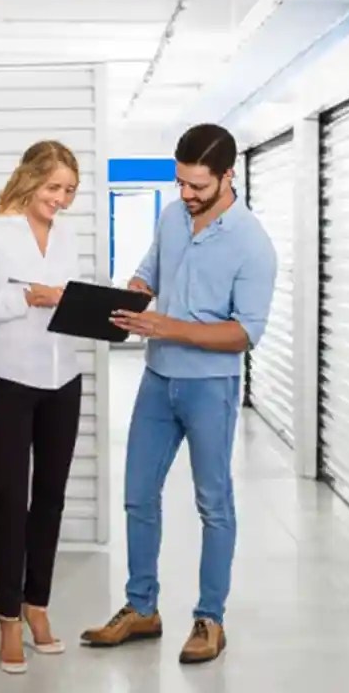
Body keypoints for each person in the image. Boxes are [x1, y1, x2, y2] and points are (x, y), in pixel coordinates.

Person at [80, 123, 278, 664]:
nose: (186, 195)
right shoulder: (172, 217)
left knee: (213, 503)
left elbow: (244, 332)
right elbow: (149, 273)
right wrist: (132, 294)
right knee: (138, 495)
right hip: (157, 380)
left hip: (210, 389)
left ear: (227, 176)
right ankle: (141, 608)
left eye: (197, 186)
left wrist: (169, 327)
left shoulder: (252, 243)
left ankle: (210, 619)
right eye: (180, 183)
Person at [0, 140, 83, 675]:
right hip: (10, 381)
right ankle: (8, 620)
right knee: (12, 501)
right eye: (54, 187)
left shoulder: (69, 233)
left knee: (52, 499)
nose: (60, 200)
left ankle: (38, 607)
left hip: (64, 378)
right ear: (31, 179)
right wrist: (27, 297)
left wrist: (98, 311)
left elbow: (69, 298)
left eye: (69, 192)